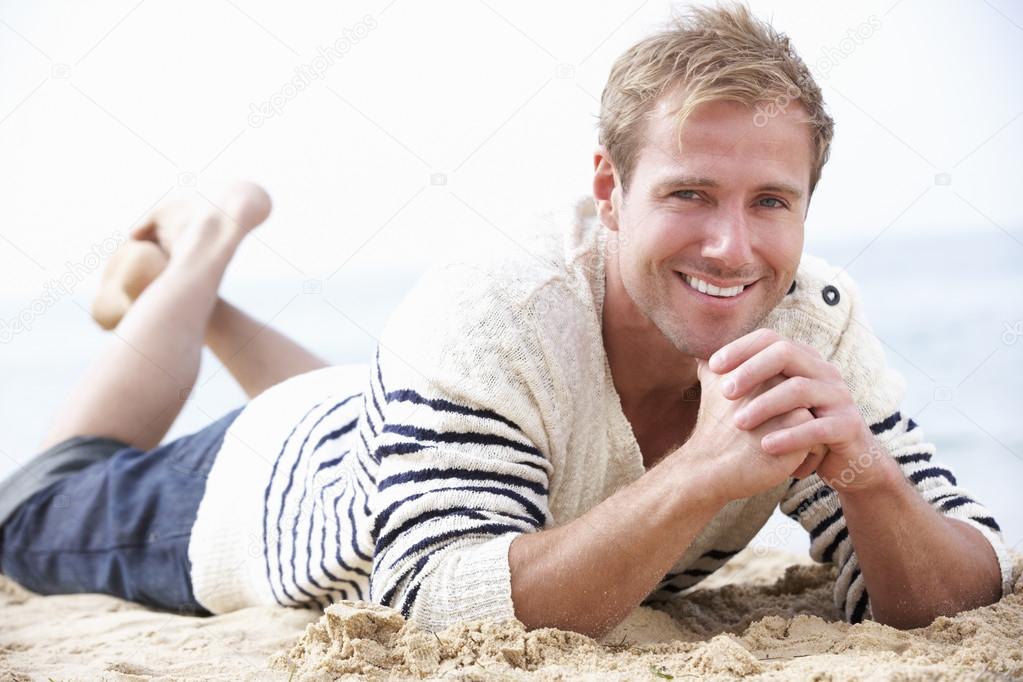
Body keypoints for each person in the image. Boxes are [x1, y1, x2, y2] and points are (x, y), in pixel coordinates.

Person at [0, 3, 1013, 638]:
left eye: (771, 202)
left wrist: (867, 479)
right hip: (263, 489)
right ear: (610, 188)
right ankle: (208, 239)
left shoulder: (813, 319)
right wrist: (697, 473)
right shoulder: (496, 306)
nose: (732, 248)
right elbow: (436, 602)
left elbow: (958, 575)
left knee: (387, 402)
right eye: (690, 194)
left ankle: (207, 299)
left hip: (390, 411)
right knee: (35, 506)